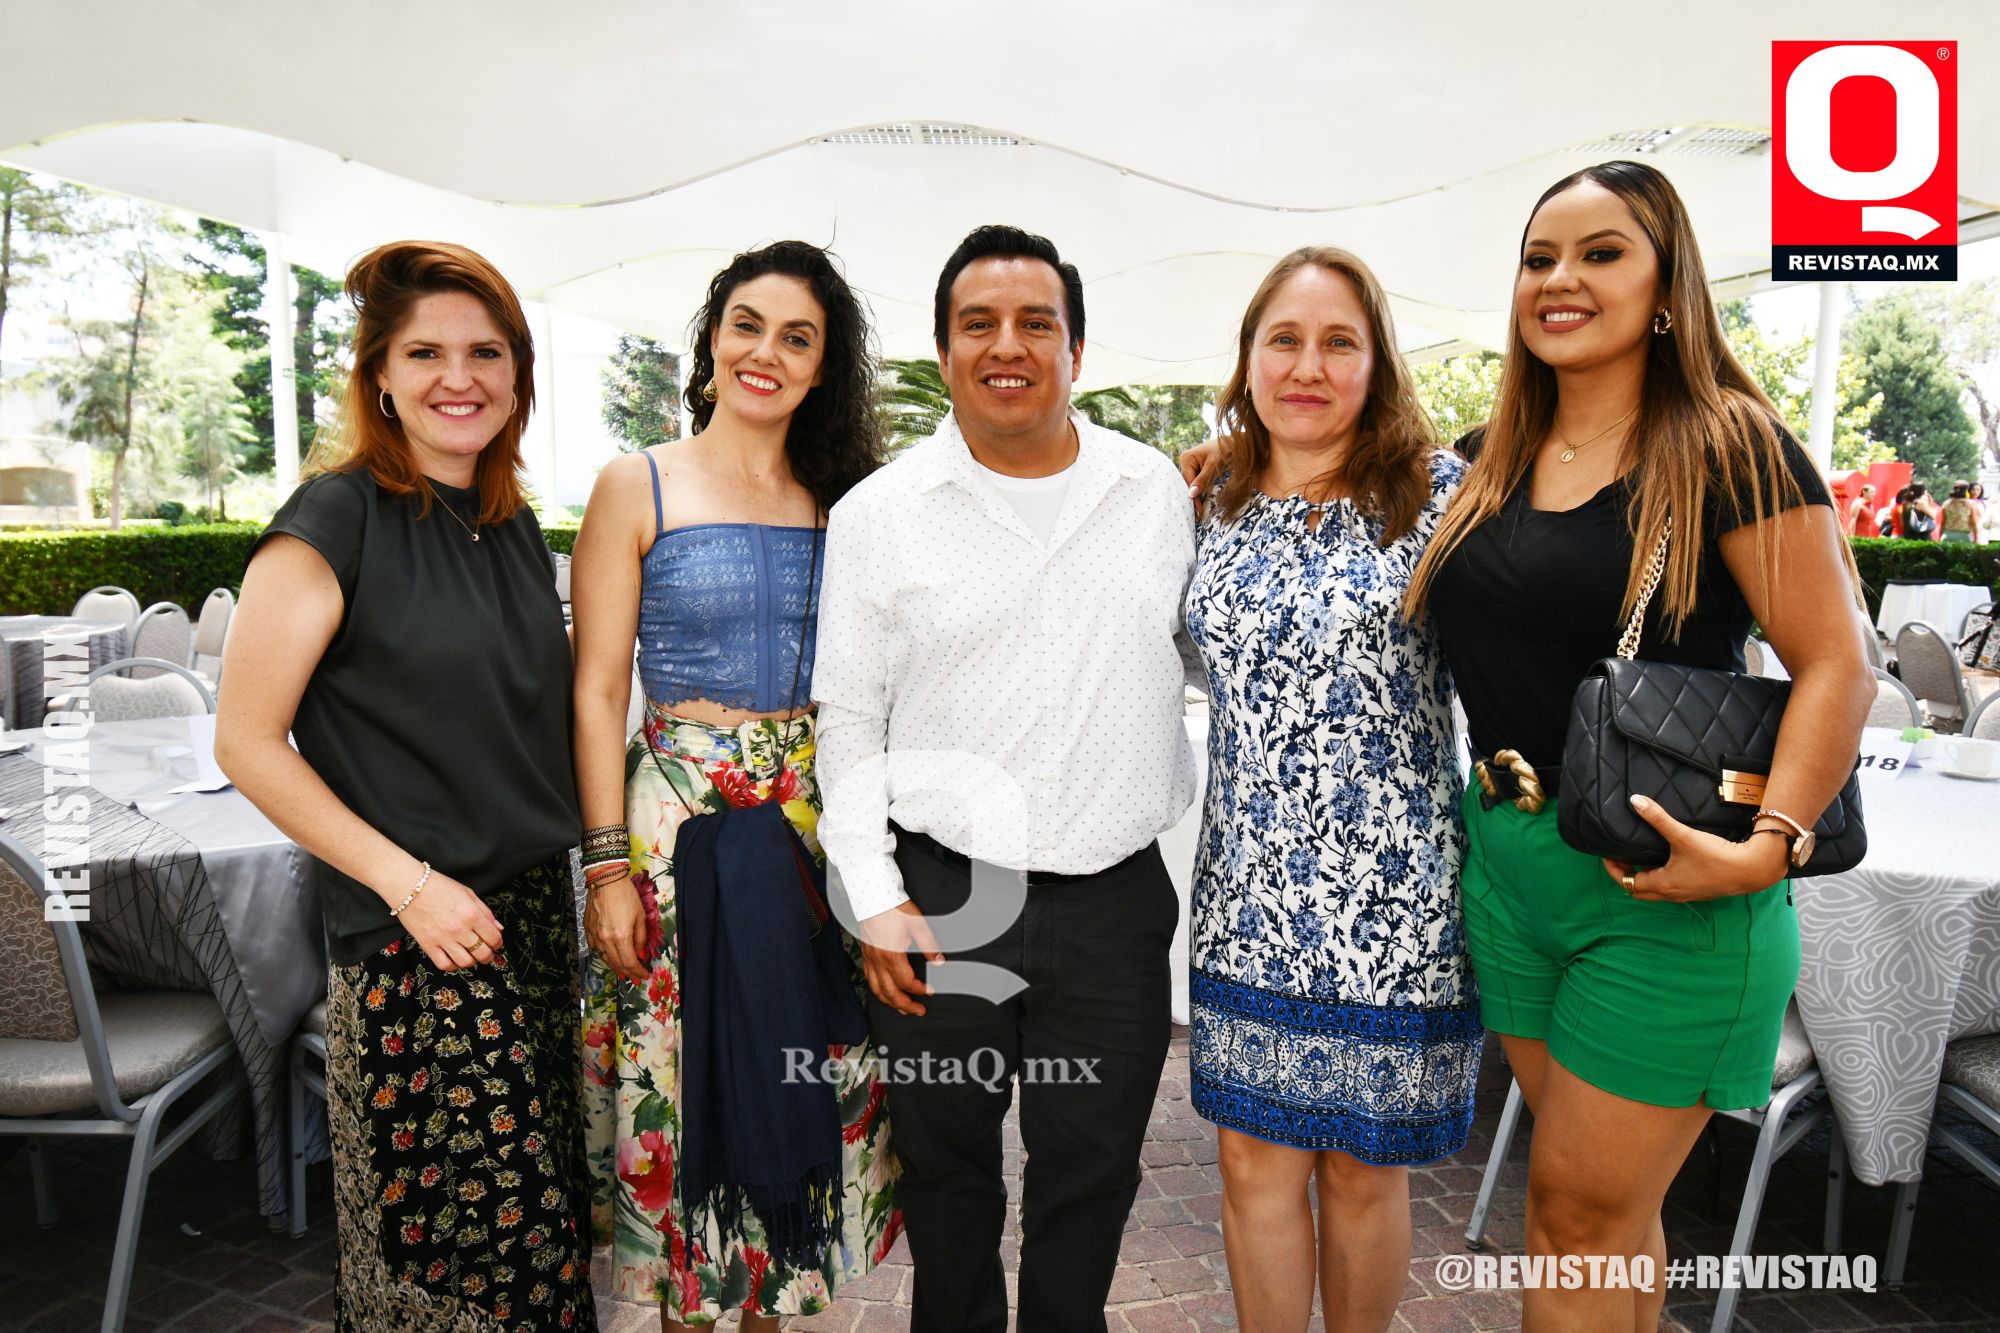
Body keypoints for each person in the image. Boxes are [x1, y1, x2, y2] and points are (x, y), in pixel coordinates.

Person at [1402, 160, 1873, 1331]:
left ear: (1665, 286)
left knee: (1568, 1222)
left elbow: (1836, 663)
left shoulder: (1725, 444)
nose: (1560, 279)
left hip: (1660, 883)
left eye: (1600, 253)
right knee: (1602, 1220)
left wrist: (1771, 846)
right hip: (1509, 863)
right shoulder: (1488, 452)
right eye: (1538, 257)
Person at [813, 224, 1196, 1332]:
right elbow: (846, 720)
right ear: (943, 349)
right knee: (947, 1183)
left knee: (1091, 1184)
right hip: (941, 904)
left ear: (1077, 346)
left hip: (1111, 903)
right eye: (977, 323)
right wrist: (873, 897)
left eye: (1036, 322)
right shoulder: (877, 515)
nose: (1007, 345)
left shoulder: (1152, 489)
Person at [216, 241, 597, 1330]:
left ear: (519, 376)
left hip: (526, 922)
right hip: (412, 939)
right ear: (378, 374)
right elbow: (246, 742)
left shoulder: (511, 525)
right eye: (423, 350)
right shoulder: (334, 516)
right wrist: (407, 884)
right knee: (461, 1284)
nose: (456, 375)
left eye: (486, 351)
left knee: (541, 1260)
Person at [571, 241, 902, 1327]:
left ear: (820, 369)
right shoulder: (637, 482)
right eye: (748, 324)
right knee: (696, 1093)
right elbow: (591, 691)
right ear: (713, 336)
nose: (766, 351)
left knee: (797, 1090)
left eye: (796, 337)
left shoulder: (845, 500)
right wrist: (606, 867)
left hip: (811, 827)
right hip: (676, 835)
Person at [1178, 248, 1479, 1333]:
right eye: (1284, 340)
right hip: (1247, 893)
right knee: (1253, 1163)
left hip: (1395, 904)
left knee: (1360, 1170)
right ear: (1249, 359)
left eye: (1336, 342)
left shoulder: (1443, 499)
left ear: (1375, 361)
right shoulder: (1205, 500)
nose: (1307, 366)